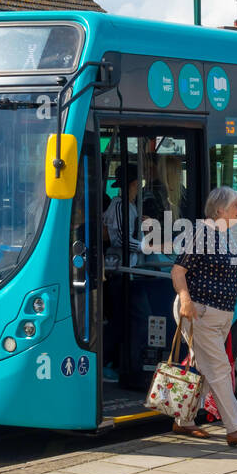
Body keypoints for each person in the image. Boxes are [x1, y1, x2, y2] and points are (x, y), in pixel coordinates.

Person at [169, 186, 237, 446]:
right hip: (199, 312)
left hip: (219, 314)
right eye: (236, 205)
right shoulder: (202, 233)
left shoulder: (224, 236)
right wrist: (186, 301)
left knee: (203, 369)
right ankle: (236, 428)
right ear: (220, 210)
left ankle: (183, 421)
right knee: (220, 369)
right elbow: (178, 271)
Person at [102, 163, 141, 381]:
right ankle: (108, 362)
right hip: (119, 269)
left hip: (129, 268)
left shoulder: (130, 205)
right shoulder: (119, 205)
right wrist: (145, 246)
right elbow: (121, 239)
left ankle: (119, 362)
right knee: (120, 319)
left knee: (125, 318)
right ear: (133, 184)